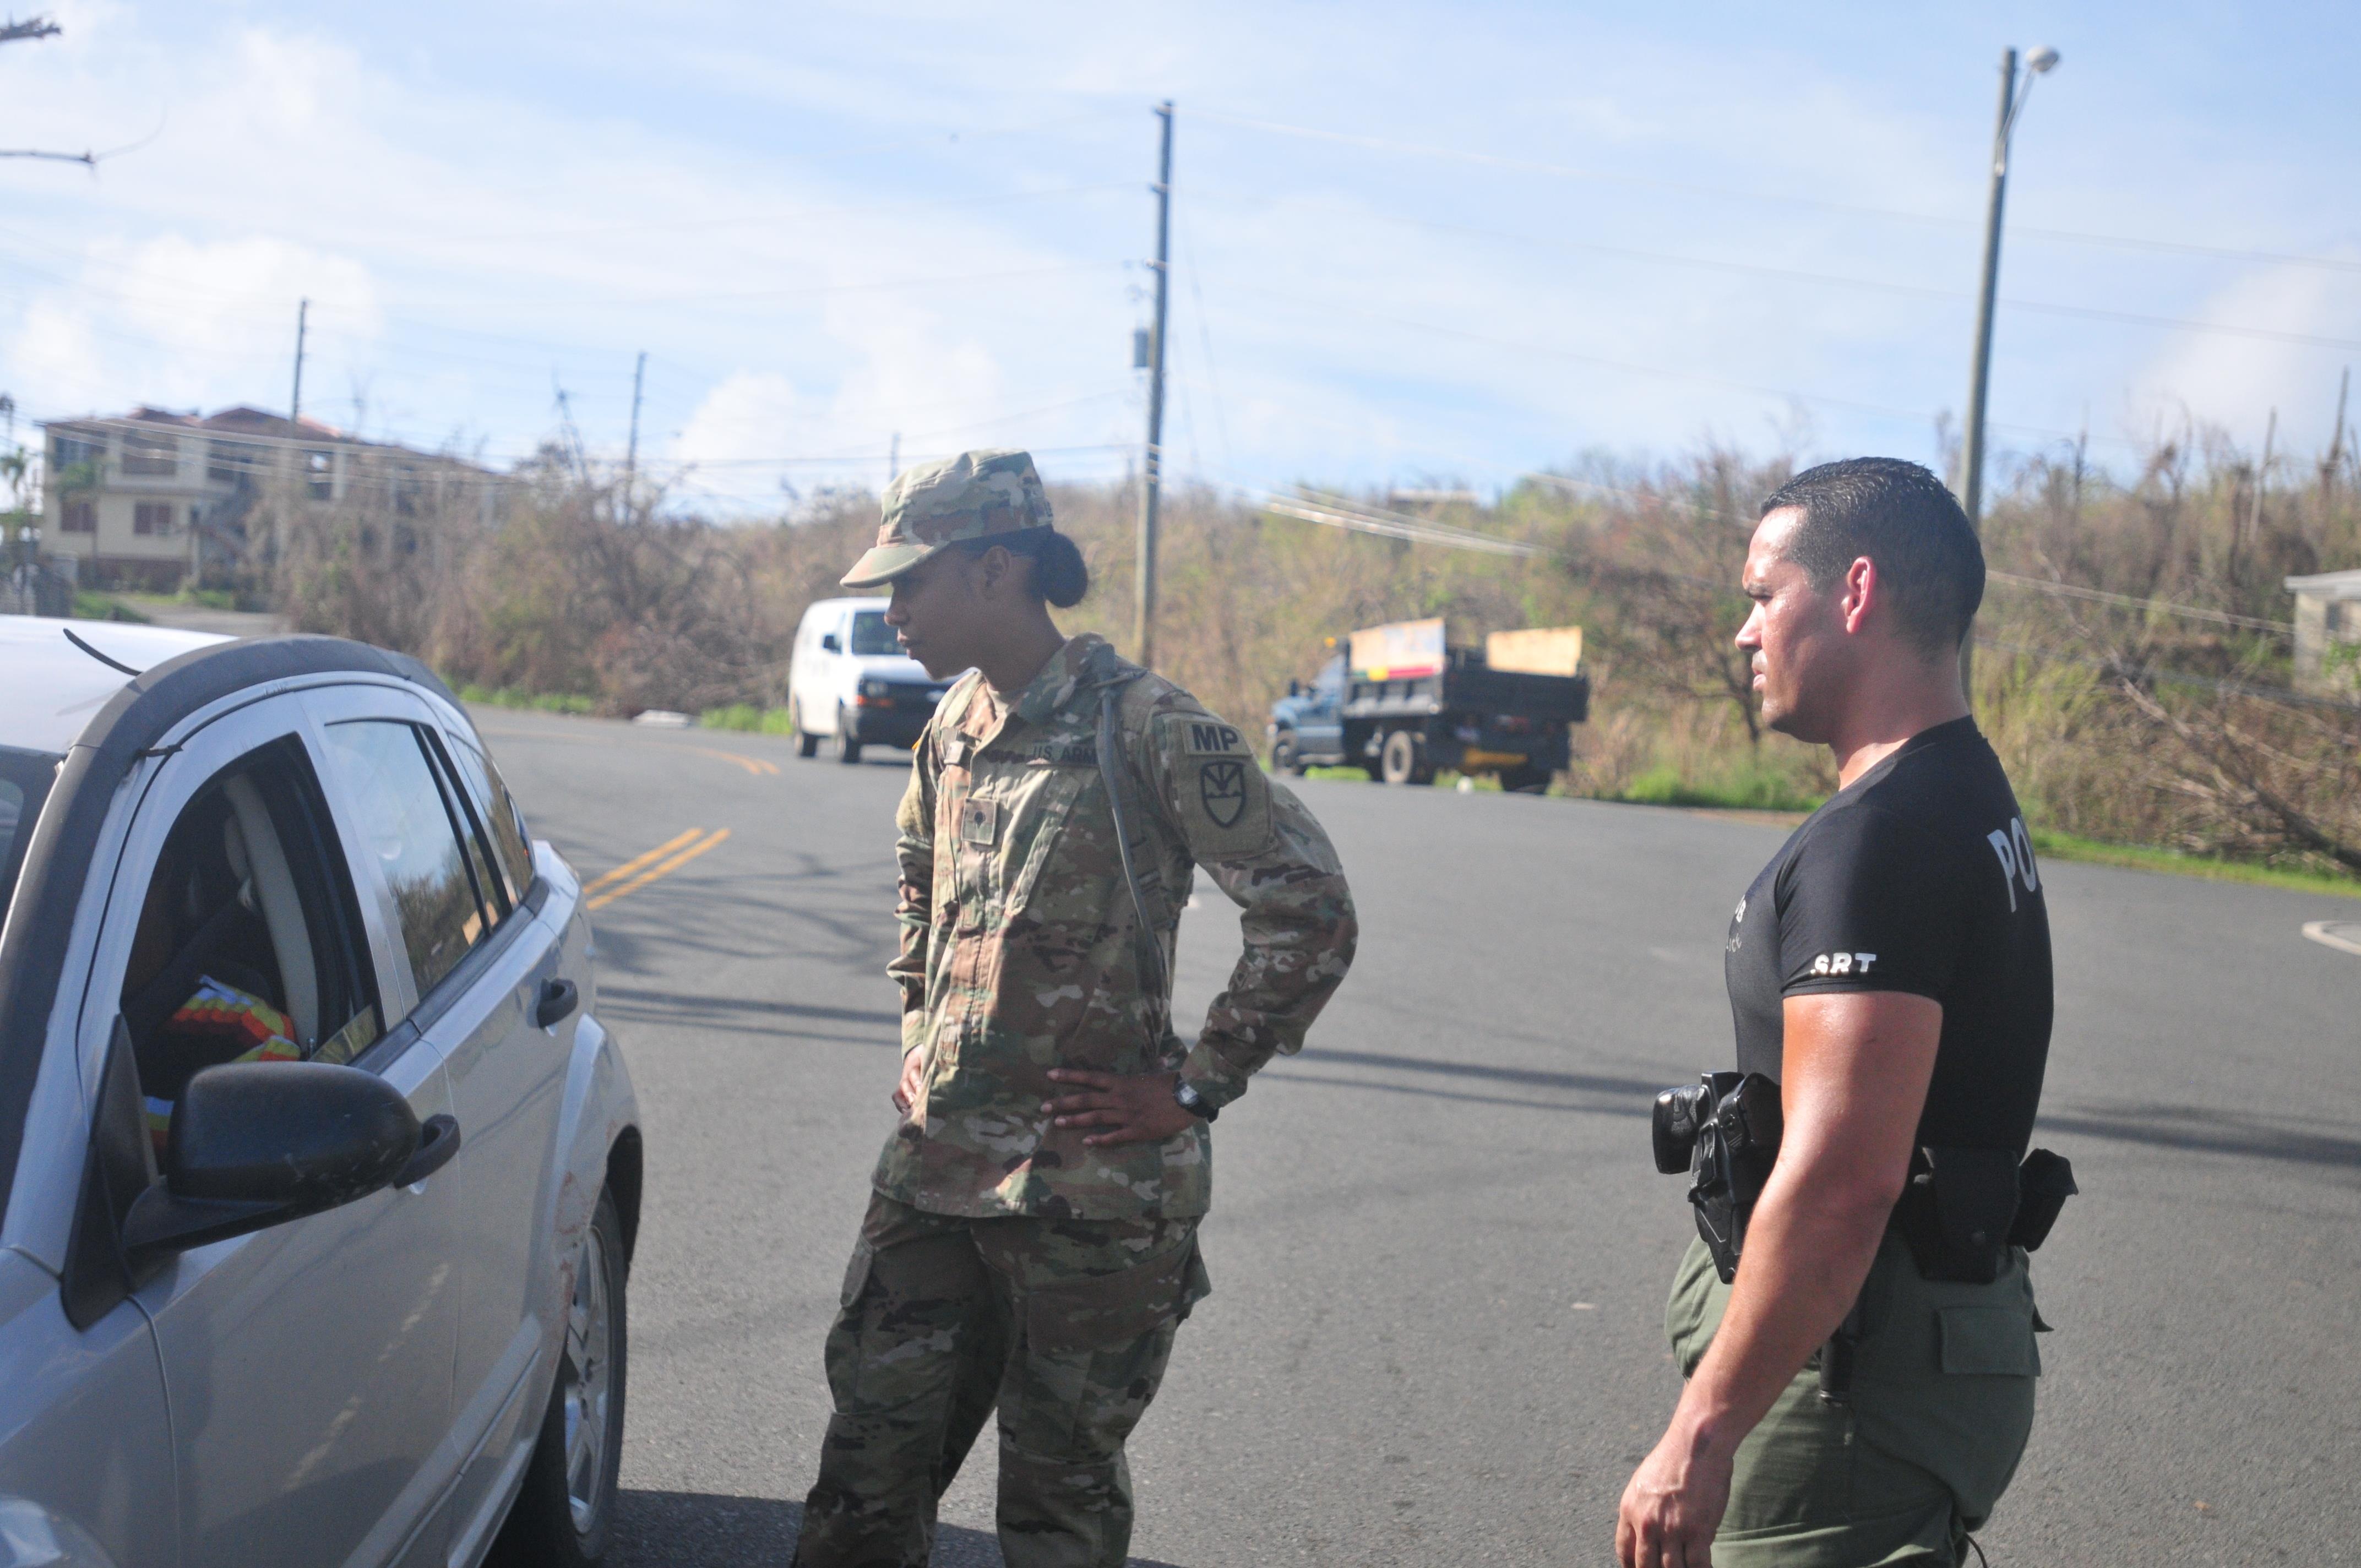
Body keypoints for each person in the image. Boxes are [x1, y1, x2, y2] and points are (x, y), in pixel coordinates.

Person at [791, 448, 1358, 1568]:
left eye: (911, 581)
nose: (891, 609)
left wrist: (1197, 1082)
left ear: (996, 568)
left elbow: (1309, 907)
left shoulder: (1145, 725)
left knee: (1055, 1507)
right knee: (863, 1483)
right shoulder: (950, 725)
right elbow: (917, 876)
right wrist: (917, 1029)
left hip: (1088, 1196)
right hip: (937, 1174)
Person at [1616, 458, 2065, 1568]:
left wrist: (1699, 1432)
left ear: (1853, 593)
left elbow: (1841, 1178)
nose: (1742, 630)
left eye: (1763, 594)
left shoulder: (1882, 835)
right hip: (1900, 1355)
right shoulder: (1960, 789)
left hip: (1851, 1387)